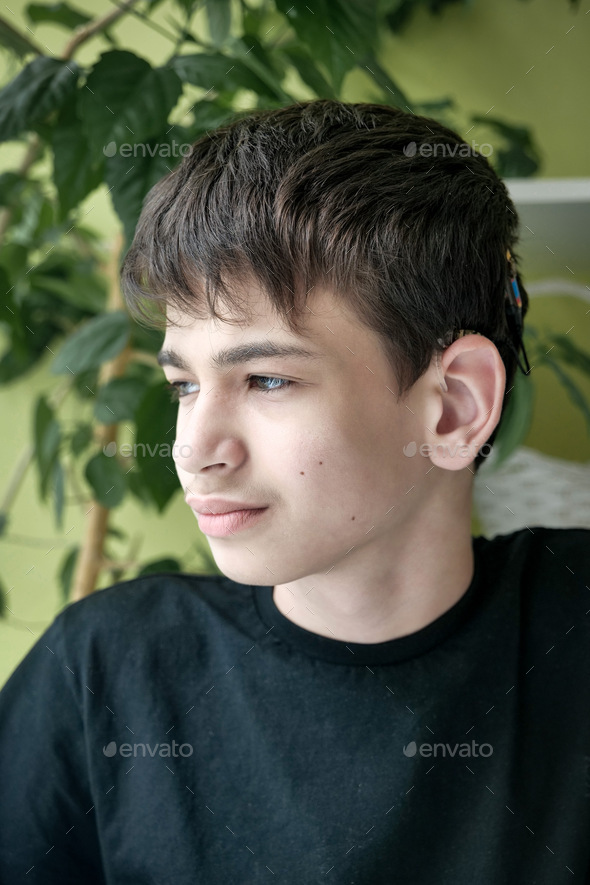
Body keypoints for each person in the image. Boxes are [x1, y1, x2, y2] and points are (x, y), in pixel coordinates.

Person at [0, 99, 588, 884]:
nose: (193, 450)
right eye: (182, 385)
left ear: (454, 407)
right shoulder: (104, 670)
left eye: (267, 378)